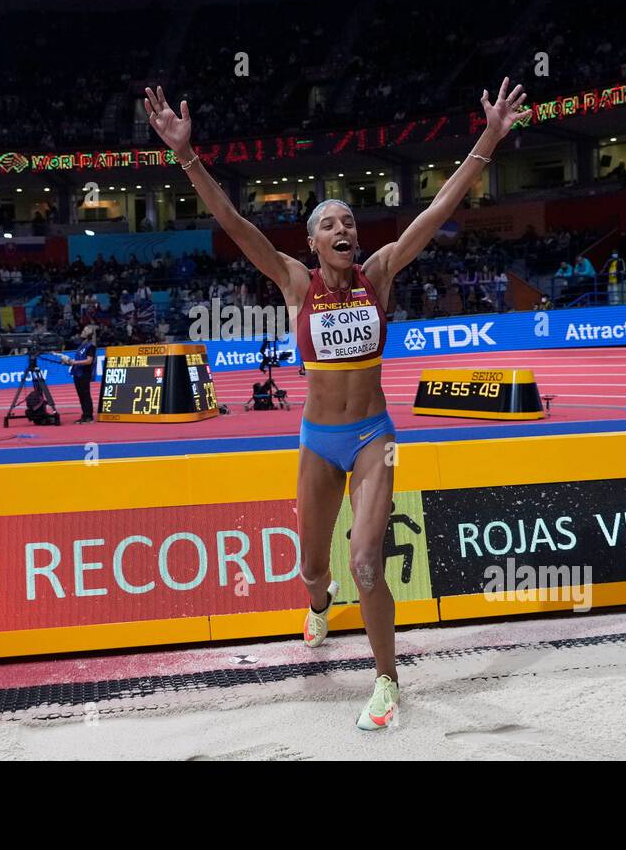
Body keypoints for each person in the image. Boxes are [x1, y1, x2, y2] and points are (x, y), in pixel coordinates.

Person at [144, 77, 531, 730]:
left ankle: (385, 681)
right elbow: (235, 224)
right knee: (315, 567)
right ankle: (320, 606)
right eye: (330, 224)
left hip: (374, 437)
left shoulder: (379, 273)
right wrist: (185, 156)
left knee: (366, 562)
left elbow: (436, 209)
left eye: (349, 219)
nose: (343, 227)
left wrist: (489, 138)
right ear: (314, 241)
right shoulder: (294, 283)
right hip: (316, 442)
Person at [60, 324, 96, 424]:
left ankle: (89, 417)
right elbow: (78, 360)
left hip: (84, 373)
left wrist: (74, 362)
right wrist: (68, 362)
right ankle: (84, 415)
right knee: (81, 396)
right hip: (77, 373)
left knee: (85, 395)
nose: (82, 332)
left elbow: (89, 361)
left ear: (89, 334)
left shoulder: (91, 346)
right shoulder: (82, 345)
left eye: (85, 331)